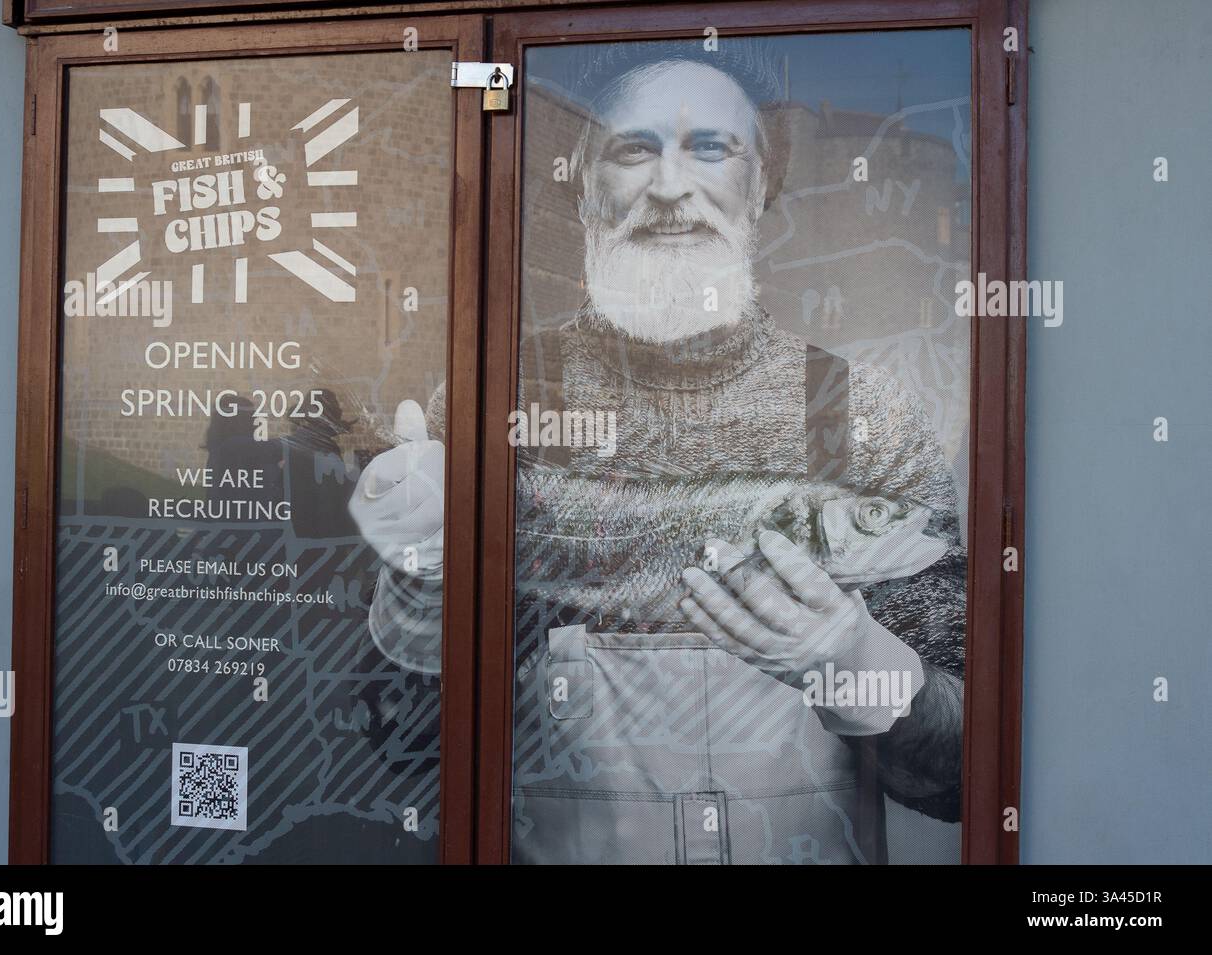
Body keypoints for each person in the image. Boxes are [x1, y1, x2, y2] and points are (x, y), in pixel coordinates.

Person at [350, 47, 966, 864]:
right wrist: (428, 572)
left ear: (760, 190)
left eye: (712, 148)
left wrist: (860, 668)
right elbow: (404, 744)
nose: (670, 188)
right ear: (586, 191)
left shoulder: (857, 415)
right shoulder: (495, 408)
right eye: (634, 149)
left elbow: (960, 775)